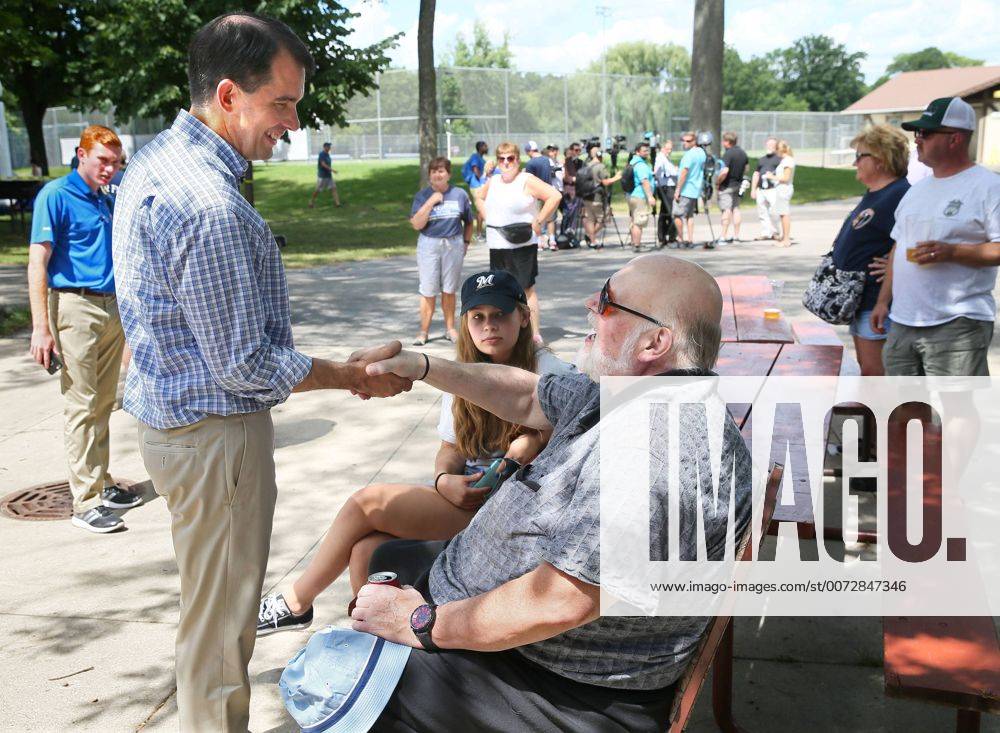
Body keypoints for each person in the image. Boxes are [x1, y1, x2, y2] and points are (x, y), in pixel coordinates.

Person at [110, 13, 411, 731]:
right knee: (221, 629)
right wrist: (349, 373)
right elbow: (243, 364)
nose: (292, 121)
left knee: (211, 611)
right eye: (282, 102)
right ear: (227, 95)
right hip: (215, 439)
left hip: (180, 428)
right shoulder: (207, 203)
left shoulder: (156, 162)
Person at [351, 253, 751, 732]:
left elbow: (563, 600)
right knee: (380, 560)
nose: (590, 303)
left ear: (654, 342)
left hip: (558, 687)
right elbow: (525, 395)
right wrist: (421, 366)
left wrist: (421, 624)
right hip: (514, 630)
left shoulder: (654, 452)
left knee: (341, 679)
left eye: (607, 302)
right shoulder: (632, 392)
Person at [257, 270, 572, 636]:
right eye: (478, 317)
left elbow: (559, 443)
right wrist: (443, 481)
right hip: (466, 498)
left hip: (511, 510)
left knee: (367, 503)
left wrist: (521, 454)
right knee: (366, 551)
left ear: (523, 315)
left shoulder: (551, 373)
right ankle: (378, 644)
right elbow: (450, 448)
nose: (489, 326)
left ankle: (297, 603)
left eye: (500, 314)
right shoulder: (463, 373)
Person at [27, 124, 137, 534]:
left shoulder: (104, 198)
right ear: (81, 154)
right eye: (102, 160)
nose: (109, 168)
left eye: (115, 162)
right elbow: (38, 262)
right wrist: (42, 328)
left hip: (112, 308)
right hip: (75, 306)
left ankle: (103, 482)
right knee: (82, 403)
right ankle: (85, 501)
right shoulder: (55, 196)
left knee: (104, 400)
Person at [872, 96, 1000, 378]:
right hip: (904, 320)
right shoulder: (917, 189)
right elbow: (898, 246)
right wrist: (883, 301)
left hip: (957, 321)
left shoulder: (989, 187)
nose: (917, 139)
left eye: (926, 133)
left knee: (957, 409)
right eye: (917, 133)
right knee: (903, 408)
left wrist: (953, 252)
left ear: (954, 139)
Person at [830, 125, 910, 376]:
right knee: (868, 370)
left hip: (877, 302)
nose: (855, 163)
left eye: (860, 156)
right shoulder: (877, 194)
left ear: (881, 159)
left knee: (875, 375)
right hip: (861, 300)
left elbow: (909, 240)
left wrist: (895, 263)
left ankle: (885, 415)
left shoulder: (899, 194)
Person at [475, 142, 561, 345]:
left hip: (522, 243)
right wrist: (488, 216)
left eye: (510, 158)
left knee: (526, 289)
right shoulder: (494, 180)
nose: (506, 163)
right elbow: (478, 196)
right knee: (501, 289)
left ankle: (533, 334)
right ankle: (509, 333)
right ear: (497, 161)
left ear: (517, 159)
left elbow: (554, 196)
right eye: (502, 159)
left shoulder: (526, 179)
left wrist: (539, 220)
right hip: (497, 244)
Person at [409, 156, 474, 345]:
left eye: (441, 171)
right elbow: (416, 224)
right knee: (428, 290)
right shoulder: (422, 196)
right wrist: (431, 201)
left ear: (448, 174)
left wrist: (466, 242)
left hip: (453, 244)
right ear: (429, 175)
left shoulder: (459, 194)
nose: (437, 174)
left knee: (449, 289)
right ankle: (423, 332)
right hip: (429, 245)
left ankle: (450, 329)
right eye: (433, 171)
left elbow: (469, 221)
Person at [579, 142, 621, 249]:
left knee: (590, 219)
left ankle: (592, 240)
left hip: (586, 196)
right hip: (597, 197)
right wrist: (616, 177)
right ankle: (590, 236)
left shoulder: (587, 165)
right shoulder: (600, 167)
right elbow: (605, 182)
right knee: (602, 220)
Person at [674, 131, 706, 248]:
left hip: (686, 189)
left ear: (695, 141)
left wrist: (678, 189)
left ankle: (681, 239)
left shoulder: (689, 154)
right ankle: (690, 239)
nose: (685, 143)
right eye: (684, 140)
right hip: (695, 189)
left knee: (678, 215)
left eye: (688, 141)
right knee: (689, 215)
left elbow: (684, 172)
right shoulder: (701, 152)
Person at [716, 131, 748, 245]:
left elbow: (724, 171)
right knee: (736, 209)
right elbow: (746, 168)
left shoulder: (728, 154)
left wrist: (718, 182)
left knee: (726, 210)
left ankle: (723, 236)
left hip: (727, 186)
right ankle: (736, 236)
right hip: (738, 184)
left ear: (727, 142)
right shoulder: (743, 153)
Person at [524, 140, 555, 251]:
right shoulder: (547, 160)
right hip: (549, 192)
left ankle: (539, 242)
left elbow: (529, 179)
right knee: (550, 218)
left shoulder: (531, 163)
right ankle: (552, 240)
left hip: (537, 194)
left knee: (537, 217)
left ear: (528, 151)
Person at [627, 141, 656, 253]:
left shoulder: (632, 162)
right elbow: (644, 181)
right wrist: (650, 197)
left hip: (632, 195)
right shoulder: (641, 166)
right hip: (640, 196)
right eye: (644, 151)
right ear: (637, 152)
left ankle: (634, 242)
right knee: (639, 220)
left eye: (647, 151)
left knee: (634, 219)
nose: (647, 153)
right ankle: (637, 245)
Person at [750, 136, 781, 241]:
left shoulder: (779, 159)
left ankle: (776, 232)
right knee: (762, 212)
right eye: (768, 145)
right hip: (761, 189)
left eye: (772, 145)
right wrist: (753, 189)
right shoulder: (762, 160)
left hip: (773, 189)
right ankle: (766, 232)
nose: (770, 147)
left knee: (774, 212)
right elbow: (756, 174)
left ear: (776, 147)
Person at [768, 140, 796, 247]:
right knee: (782, 213)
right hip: (780, 188)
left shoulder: (788, 161)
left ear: (780, 150)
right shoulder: (784, 160)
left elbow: (786, 177)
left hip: (784, 189)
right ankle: (784, 238)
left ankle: (786, 240)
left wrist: (772, 177)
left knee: (785, 214)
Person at [653, 138, 679, 247]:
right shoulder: (661, 158)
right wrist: (676, 169)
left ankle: (663, 236)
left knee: (665, 211)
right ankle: (667, 236)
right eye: (667, 149)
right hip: (666, 187)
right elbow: (672, 172)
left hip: (667, 186)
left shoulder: (665, 158)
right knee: (669, 211)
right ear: (662, 148)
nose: (669, 151)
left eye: (671, 149)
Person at [462, 141, 489, 241]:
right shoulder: (475, 157)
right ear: (480, 147)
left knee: (482, 208)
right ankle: (478, 234)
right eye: (485, 146)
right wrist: (482, 180)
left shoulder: (481, 158)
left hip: (479, 185)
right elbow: (475, 169)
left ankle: (480, 232)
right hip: (476, 185)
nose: (487, 147)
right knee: (481, 209)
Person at [309, 141, 340, 208]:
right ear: (324, 147)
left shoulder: (327, 154)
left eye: (329, 146)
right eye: (328, 146)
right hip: (322, 176)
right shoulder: (322, 154)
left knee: (334, 188)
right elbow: (323, 164)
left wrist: (331, 171)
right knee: (317, 190)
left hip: (329, 176)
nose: (329, 148)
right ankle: (311, 202)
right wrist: (332, 170)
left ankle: (337, 203)